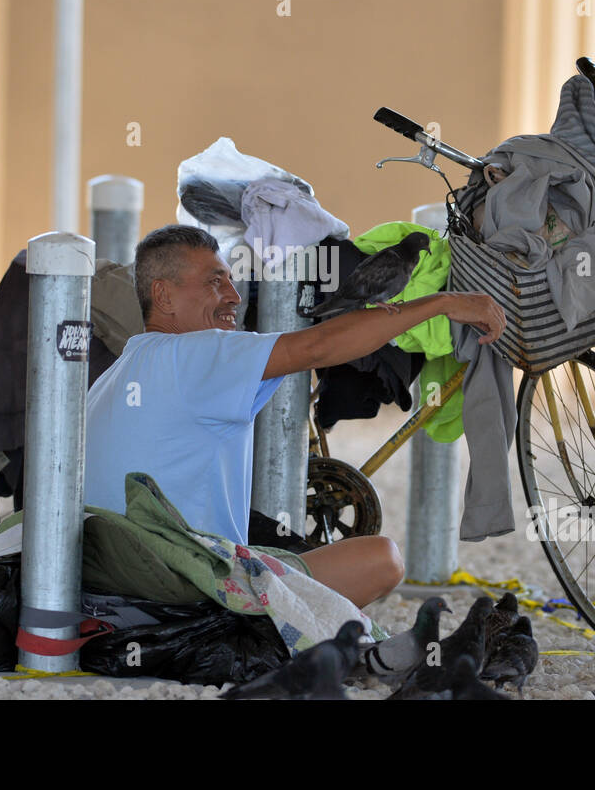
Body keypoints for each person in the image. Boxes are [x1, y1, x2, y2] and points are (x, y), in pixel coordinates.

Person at [84, 225, 505, 608]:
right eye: (215, 283)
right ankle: (240, 619)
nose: (233, 296)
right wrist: (444, 303)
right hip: (176, 581)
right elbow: (317, 346)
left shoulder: (118, 372)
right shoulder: (194, 352)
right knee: (381, 559)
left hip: (114, 571)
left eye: (231, 280)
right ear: (163, 296)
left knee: (276, 541)